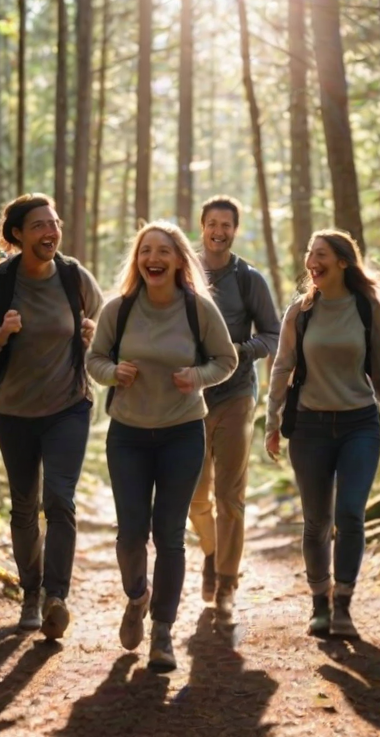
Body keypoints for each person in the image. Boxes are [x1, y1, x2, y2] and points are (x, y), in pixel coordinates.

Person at [86, 221, 237, 671]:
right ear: (138, 260)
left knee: (169, 534)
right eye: (146, 251)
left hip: (182, 432)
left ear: (178, 260)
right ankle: (137, 597)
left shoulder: (197, 309)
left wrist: (197, 377)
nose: (154, 258)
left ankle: (162, 632)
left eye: (163, 251)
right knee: (132, 533)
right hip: (128, 434)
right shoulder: (119, 309)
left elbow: (226, 360)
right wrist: (114, 374)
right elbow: (95, 359)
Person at [0, 193, 103, 640]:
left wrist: (95, 334)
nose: (50, 232)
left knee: (59, 499)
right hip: (13, 412)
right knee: (24, 506)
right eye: (39, 225)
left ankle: (57, 597)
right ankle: (31, 594)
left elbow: (111, 325)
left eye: (54, 223)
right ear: (17, 234)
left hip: (68, 407)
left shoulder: (74, 276)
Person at [265, 229, 380, 638]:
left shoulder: (367, 308)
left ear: (342, 261)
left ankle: (343, 604)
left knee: (350, 515)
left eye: (320, 254)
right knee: (316, 522)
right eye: (309, 253)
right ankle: (319, 604)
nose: (311, 260)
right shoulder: (301, 311)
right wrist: (272, 420)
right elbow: (281, 367)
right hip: (308, 427)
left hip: (359, 424)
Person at [188, 195, 280, 618]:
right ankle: (211, 552)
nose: (219, 231)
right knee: (194, 496)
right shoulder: (182, 271)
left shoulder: (248, 279)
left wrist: (240, 351)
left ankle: (226, 579)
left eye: (226, 225)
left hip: (236, 395)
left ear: (234, 230)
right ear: (202, 225)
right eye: (212, 224)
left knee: (230, 495)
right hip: (187, 396)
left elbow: (273, 335)